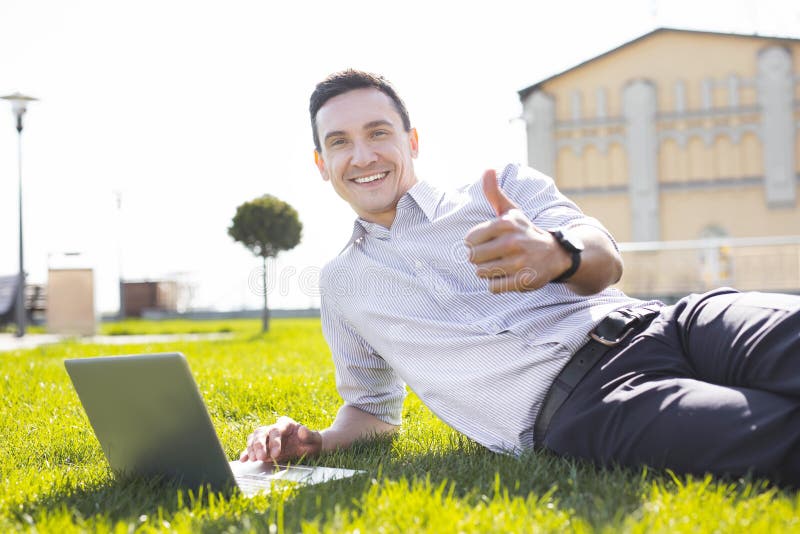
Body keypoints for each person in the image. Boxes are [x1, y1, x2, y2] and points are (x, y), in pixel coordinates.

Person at [241, 69, 800, 484]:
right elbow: (372, 409)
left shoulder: (501, 186)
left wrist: (556, 254)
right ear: (321, 164)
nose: (362, 155)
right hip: (590, 402)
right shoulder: (343, 285)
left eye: (378, 132)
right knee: (781, 438)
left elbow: (605, 257)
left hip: (674, 324)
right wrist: (316, 441)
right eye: (339, 142)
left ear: (411, 142)